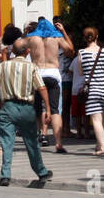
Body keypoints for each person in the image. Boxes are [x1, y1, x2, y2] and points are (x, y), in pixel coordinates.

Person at [0, 38, 55, 187]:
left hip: (8, 107)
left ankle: (5, 175)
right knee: (31, 142)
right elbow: (41, 88)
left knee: (7, 142)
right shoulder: (32, 67)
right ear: (27, 51)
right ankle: (41, 172)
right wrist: (48, 109)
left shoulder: (3, 66)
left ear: (13, 51)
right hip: (26, 108)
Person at [28, 17, 72, 152]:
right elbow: (70, 51)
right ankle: (58, 142)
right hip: (53, 74)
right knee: (55, 110)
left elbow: (18, 47)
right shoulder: (56, 37)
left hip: (37, 74)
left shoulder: (32, 38)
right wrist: (63, 31)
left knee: (38, 108)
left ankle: (41, 135)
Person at [74, 27, 104, 155]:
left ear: (84, 38)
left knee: (95, 119)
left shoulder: (82, 53)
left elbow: (80, 71)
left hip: (92, 89)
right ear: (97, 36)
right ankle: (100, 144)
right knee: (103, 118)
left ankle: (102, 147)